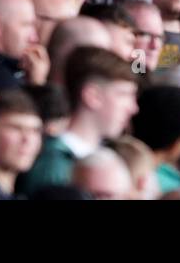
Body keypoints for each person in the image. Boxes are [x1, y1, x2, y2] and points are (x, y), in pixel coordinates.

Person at [18, 46, 138, 195]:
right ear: (92, 96)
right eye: (123, 95)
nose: (133, 108)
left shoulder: (111, 156)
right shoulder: (53, 164)